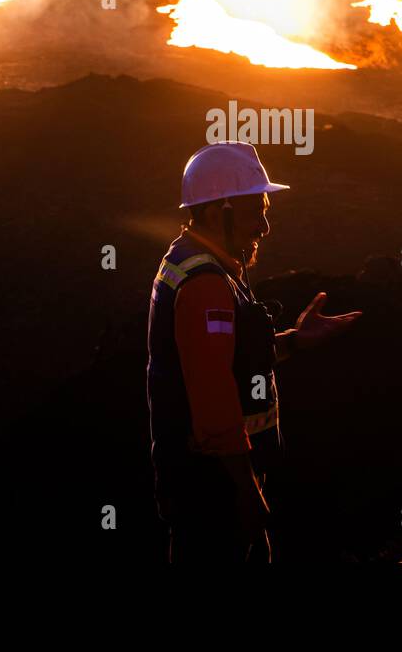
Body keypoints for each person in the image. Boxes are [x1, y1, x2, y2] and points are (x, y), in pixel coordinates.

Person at [147, 141, 361, 562]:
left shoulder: (195, 262)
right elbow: (213, 396)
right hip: (211, 486)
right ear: (217, 211)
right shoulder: (206, 284)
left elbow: (226, 359)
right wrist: (247, 491)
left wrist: (295, 341)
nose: (264, 227)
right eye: (255, 211)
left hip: (201, 478)